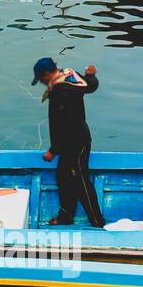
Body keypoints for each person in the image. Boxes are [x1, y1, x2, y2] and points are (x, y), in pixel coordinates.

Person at [32, 56, 106, 228]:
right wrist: (91, 75)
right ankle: (65, 216)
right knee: (63, 176)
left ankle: (97, 222)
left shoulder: (59, 91)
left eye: (42, 79)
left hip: (76, 142)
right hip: (73, 141)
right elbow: (91, 85)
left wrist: (53, 150)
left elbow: (64, 125)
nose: (43, 83)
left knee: (81, 181)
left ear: (46, 74)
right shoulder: (70, 75)